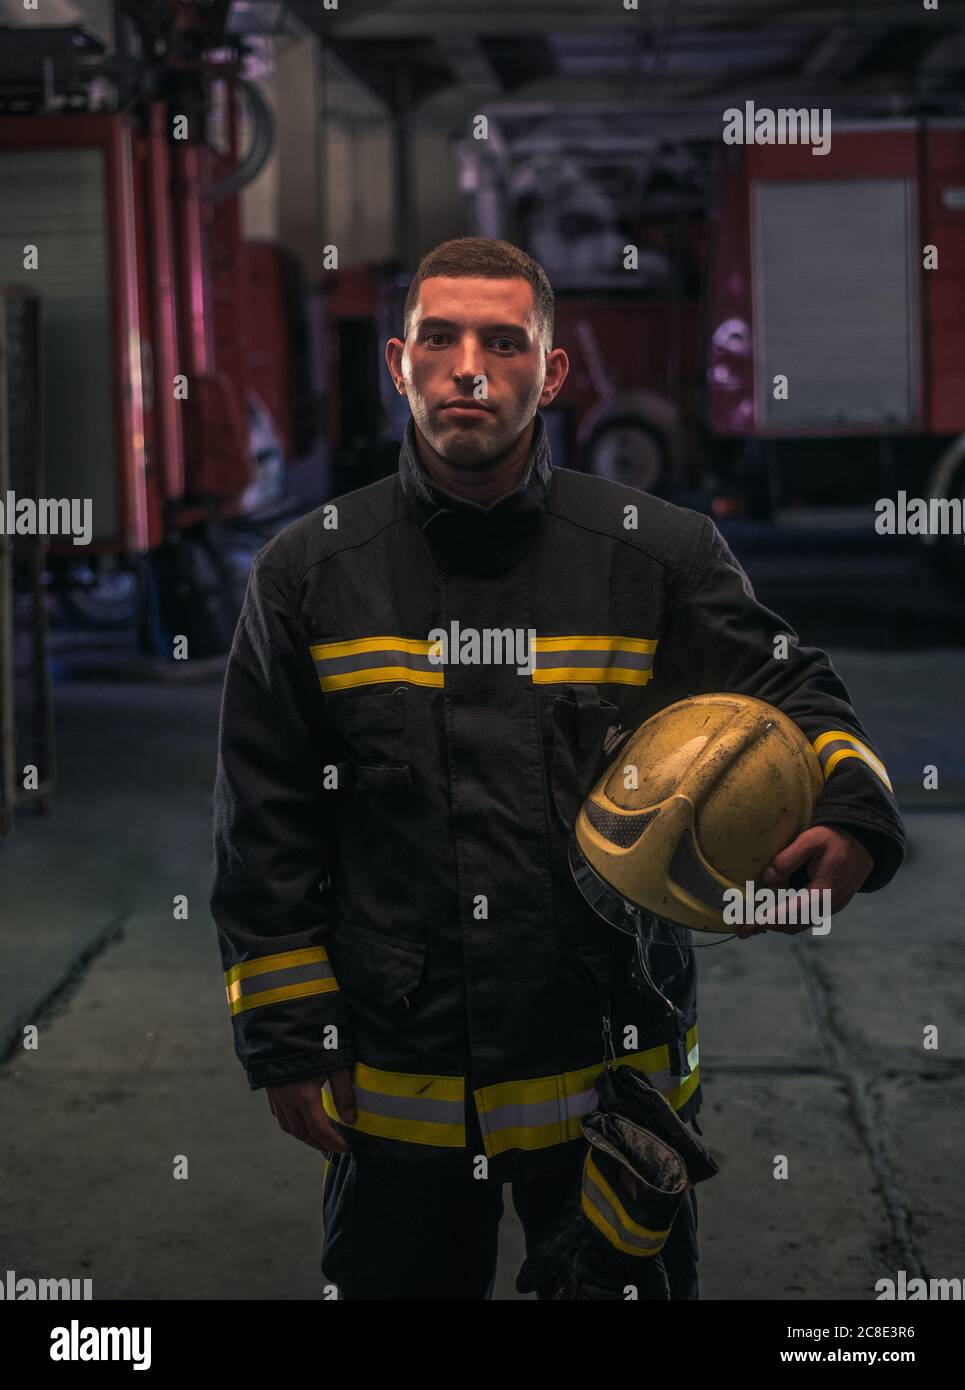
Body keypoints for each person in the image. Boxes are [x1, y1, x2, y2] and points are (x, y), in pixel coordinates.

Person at [210, 237, 905, 1300]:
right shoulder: (308, 575)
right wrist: (288, 1031)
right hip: (397, 1086)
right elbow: (265, 822)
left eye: (503, 340)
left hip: (608, 1082)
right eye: (437, 339)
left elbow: (791, 690)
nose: (468, 368)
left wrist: (852, 811)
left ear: (552, 369)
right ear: (396, 363)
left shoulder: (657, 554)